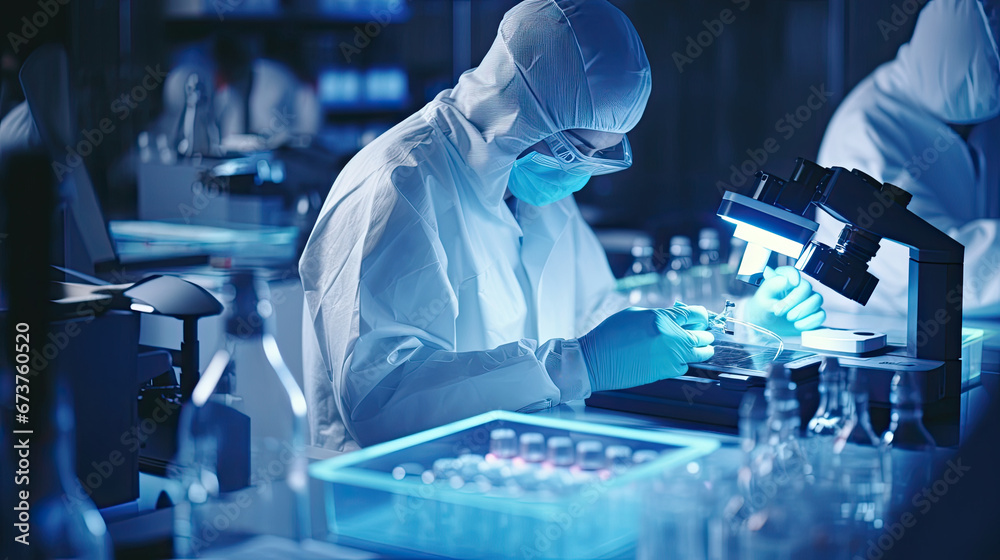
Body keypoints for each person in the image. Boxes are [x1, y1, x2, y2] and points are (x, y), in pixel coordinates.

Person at [300, 0, 826, 450]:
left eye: (598, 155)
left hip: (522, 474)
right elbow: (383, 402)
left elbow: (601, 320)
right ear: (520, 114)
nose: (582, 174)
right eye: (576, 150)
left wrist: (734, 331)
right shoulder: (400, 185)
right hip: (394, 499)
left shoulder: (534, 185)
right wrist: (581, 366)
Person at [815, 0, 1000, 318]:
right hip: (877, 326)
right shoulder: (867, 127)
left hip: (961, 326)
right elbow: (940, 269)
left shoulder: (982, 118)